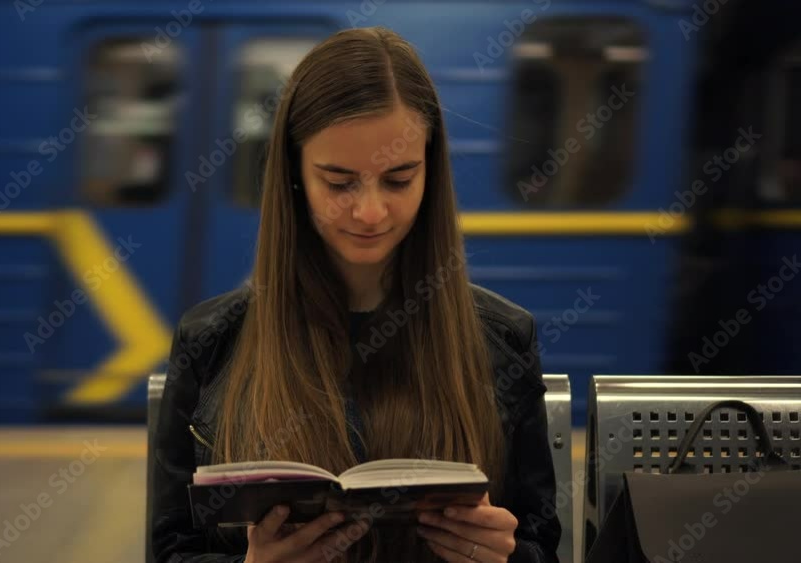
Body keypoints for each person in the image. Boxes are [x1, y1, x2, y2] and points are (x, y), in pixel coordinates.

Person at [151, 26, 561, 563]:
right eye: (339, 182)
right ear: (294, 175)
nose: (370, 212)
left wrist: (507, 556)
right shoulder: (211, 342)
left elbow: (540, 545)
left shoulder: (501, 338)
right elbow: (170, 550)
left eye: (398, 179)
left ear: (430, 174)